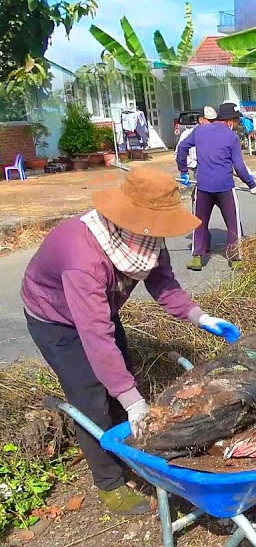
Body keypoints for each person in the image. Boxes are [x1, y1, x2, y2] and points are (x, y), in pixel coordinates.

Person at [21, 168, 242, 515]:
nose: (158, 239)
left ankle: (124, 449)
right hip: (56, 320)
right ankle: (108, 482)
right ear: (129, 216)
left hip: (99, 311)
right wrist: (133, 401)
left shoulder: (145, 239)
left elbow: (163, 283)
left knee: (121, 378)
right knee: (90, 396)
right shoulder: (84, 255)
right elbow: (95, 338)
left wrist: (199, 316)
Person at [175, 102, 256, 270]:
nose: (238, 125)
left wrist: (183, 171)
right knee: (233, 223)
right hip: (225, 188)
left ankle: (197, 257)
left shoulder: (199, 130)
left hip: (203, 187)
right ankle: (235, 258)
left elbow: (182, 148)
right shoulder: (232, 137)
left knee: (198, 222)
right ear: (230, 121)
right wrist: (252, 185)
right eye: (237, 121)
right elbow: (239, 167)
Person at [176, 106, 215, 174]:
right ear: (201, 120)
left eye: (213, 120)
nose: (212, 123)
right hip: (196, 170)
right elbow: (179, 151)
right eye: (209, 120)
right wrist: (187, 169)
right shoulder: (188, 133)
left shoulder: (216, 133)